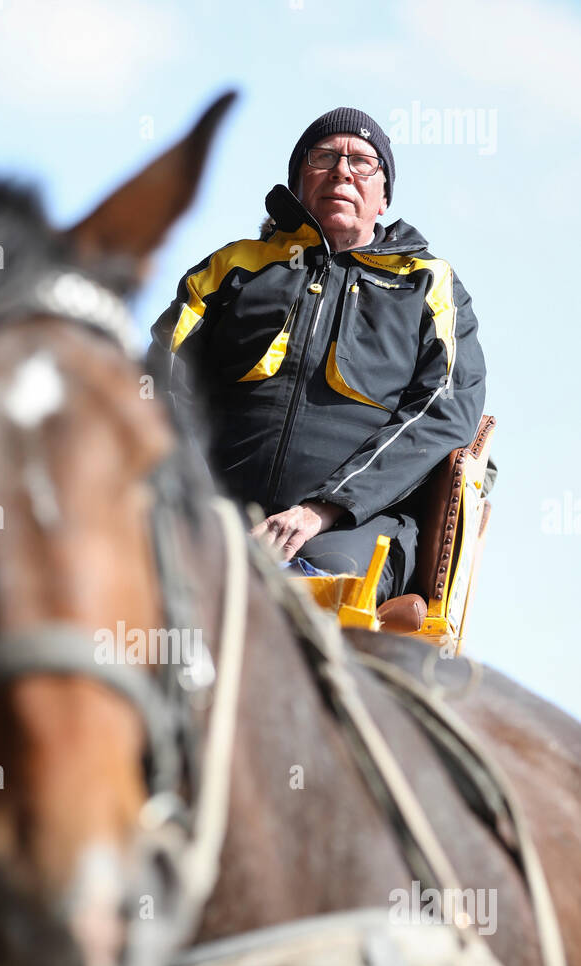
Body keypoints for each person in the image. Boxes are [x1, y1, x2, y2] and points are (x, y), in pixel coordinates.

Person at [147, 108, 486, 603]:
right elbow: (158, 378)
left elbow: (446, 408)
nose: (343, 170)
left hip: (356, 526)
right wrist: (200, 500)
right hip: (211, 513)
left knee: (302, 600)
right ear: (298, 181)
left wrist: (323, 509)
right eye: (324, 157)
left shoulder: (428, 283)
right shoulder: (233, 267)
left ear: (384, 197)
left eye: (363, 162)